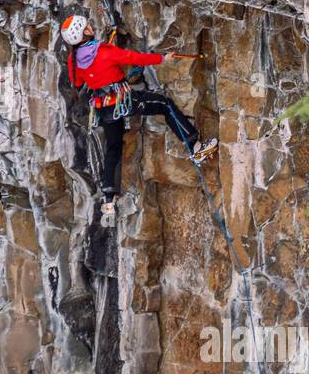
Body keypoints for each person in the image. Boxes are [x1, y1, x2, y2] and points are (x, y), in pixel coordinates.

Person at [61, 14, 217, 222]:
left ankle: (108, 199)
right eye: (87, 25)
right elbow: (133, 58)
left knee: (113, 148)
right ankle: (195, 147)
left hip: (103, 109)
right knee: (164, 104)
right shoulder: (104, 51)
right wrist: (162, 59)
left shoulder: (75, 59)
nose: (91, 25)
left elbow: (78, 83)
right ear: (84, 32)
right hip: (123, 102)